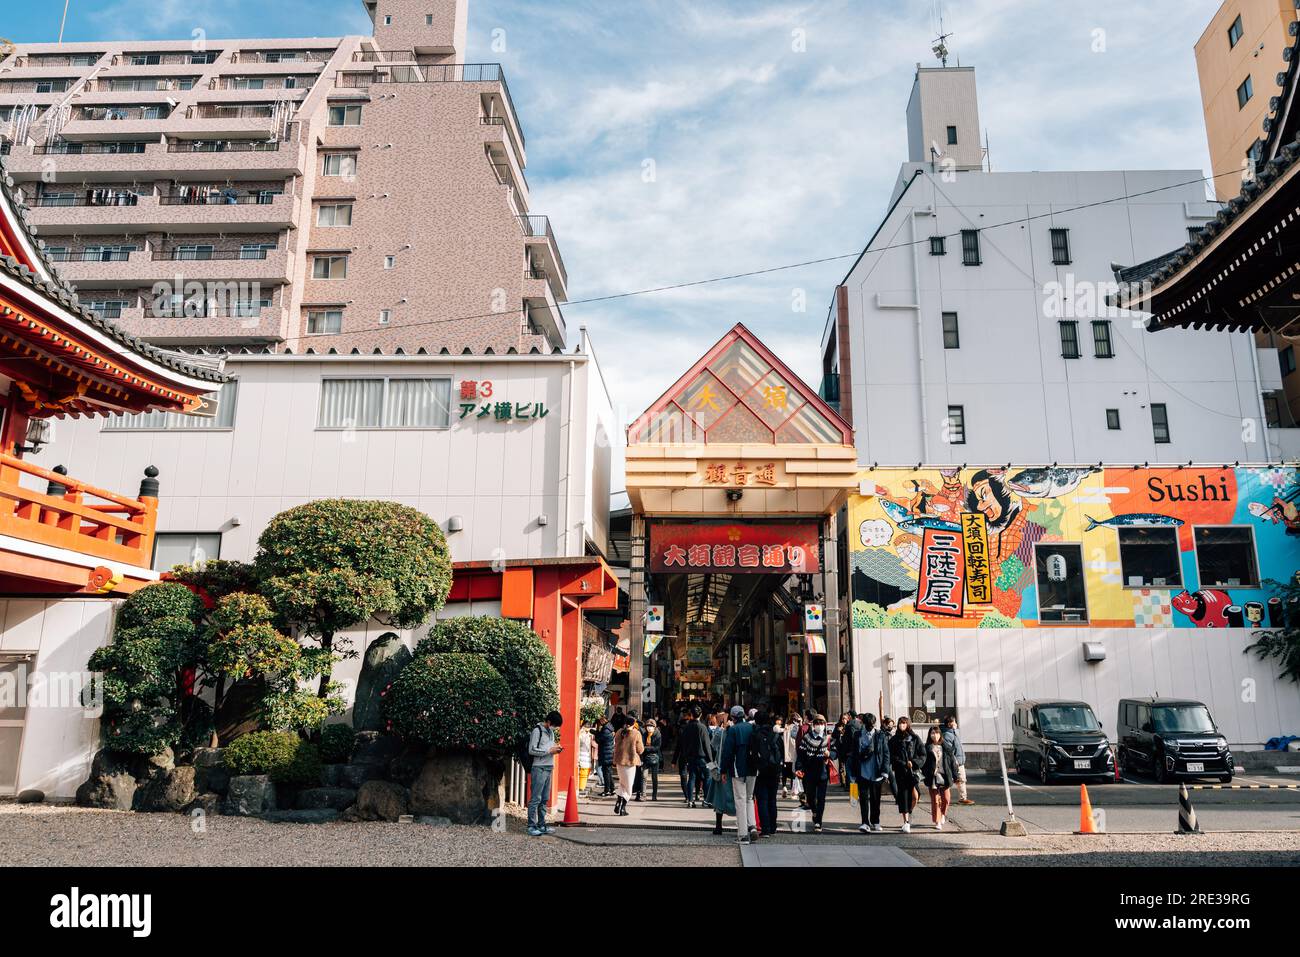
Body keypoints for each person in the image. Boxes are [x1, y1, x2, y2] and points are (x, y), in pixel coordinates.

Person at [719, 704, 758, 844]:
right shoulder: (752, 727)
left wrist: (723, 770)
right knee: (749, 798)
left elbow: (727, 753)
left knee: (740, 800)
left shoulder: (733, 730)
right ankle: (752, 827)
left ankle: (742, 835)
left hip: (738, 769)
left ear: (733, 717)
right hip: (753, 768)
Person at [526, 710, 564, 836]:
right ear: (548, 721)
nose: (555, 728)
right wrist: (549, 751)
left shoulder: (551, 732)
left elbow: (548, 748)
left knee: (545, 799)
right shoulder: (537, 730)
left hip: (548, 766)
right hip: (539, 767)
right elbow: (532, 750)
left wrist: (557, 749)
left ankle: (542, 825)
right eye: (555, 725)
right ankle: (531, 826)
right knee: (536, 798)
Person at [795, 713, 835, 833]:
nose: (820, 726)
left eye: (822, 723)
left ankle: (818, 822)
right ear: (813, 725)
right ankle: (814, 811)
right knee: (811, 797)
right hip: (809, 772)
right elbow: (800, 754)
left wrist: (830, 754)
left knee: (821, 798)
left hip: (823, 772)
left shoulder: (828, 738)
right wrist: (798, 768)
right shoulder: (807, 738)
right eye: (817, 723)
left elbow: (835, 752)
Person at [854, 713, 892, 833]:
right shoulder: (858, 734)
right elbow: (853, 754)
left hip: (876, 771)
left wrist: (885, 771)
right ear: (864, 723)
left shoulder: (880, 735)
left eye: (872, 725)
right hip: (862, 771)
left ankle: (875, 821)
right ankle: (865, 822)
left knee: (876, 799)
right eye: (868, 725)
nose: (871, 727)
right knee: (864, 799)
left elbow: (886, 754)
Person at [889, 716, 925, 833]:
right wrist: (903, 763)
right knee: (904, 797)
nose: (901, 725)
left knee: (916, 796)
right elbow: (891, 756)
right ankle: (906, 822)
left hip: (913, 772)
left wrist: (914, 763)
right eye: (900, 723)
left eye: (904, 723)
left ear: (908, 724)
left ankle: (908, 811)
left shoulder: (915, 738)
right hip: (901, 772)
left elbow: (922, 755)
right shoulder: (894, 740)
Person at [750, 711, 783, 837]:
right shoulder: (775, 734)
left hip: (761, 770)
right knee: (772, 799)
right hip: (774, 770)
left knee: (762, 799)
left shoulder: (755, 735)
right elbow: (781, 751)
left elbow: (752, 754)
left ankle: (765, 829)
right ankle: (773, 827)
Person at [922, 724, 960, 830]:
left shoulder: (946, 747)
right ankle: (937, 821)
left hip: (945, 776)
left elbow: (952, 763)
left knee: (946, 799)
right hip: (933, 777)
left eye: (937, 733)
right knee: (935, 800)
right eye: (933, 733)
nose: (935, 735)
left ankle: (943, 814)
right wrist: (925, 773)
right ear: (930, 735)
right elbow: (923, 763)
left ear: (940, 734)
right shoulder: (927, 748)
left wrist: (956, 777)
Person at [673, 706, 710, 808]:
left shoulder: (686, 728)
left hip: (690, 757)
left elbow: (683, 743)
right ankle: (706, 799)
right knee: (707, 777)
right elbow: (707, 745)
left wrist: (685, 756)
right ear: (701, 714)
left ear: (691, 715)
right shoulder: (702, 727)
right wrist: (710, 760)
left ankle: (690, 800)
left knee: (692, 778)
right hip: (702, 758)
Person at [613, 713, 644, 816]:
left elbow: (616, 744)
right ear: (633, 724)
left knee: (622, 784)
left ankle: (618, 802)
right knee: (629, 788)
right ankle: (622, 808)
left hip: (619, 762)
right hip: (630, 763)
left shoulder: (618, 732)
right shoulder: (636, 733)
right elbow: (640, 750)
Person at [943, 715, 973, 805]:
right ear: (950, 724)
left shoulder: (955, 733)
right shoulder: (947, 735)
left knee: (962, 779)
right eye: (954, 722)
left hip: (960, 761)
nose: (956, 723)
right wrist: (954, 760)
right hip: (954, 762)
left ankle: (963, 798)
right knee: (949, 780)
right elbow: (949, 750)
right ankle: (943, 797)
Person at [637, 714, 662, 801]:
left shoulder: (658, 734)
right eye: (648, 726)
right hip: (645, 758)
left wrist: (646, 748)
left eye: (651, 726)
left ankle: (654, 795)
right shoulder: (643, 733)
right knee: (644, 776)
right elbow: (641, 745)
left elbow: (657, 747)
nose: (649, 727)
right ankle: (643, 795)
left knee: (654, 778)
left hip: (655, 758)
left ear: (654, 727)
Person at [594, 716, 615, 798]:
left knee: (606, 773)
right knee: (609, 772)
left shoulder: (605, 730)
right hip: (608, 753)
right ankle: (612, 789)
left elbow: (598, 740)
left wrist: (596, 732)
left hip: (605, 753)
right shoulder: (610, 728)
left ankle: (607, 790)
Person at [782, 714, 800, 798]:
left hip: (785, 752)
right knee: (793, 772)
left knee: (785, 771)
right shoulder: (795, 727)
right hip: (793, 752)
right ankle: (793, 792)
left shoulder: (785, 727)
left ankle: (784, 787)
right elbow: (796, 738)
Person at [577, 721, 594, 793]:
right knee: (584, 771)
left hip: (584, 755)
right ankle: (581, 786)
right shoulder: (585, 734)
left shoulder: (584, 734)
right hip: (584, 754)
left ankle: (582, 786)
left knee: (584, 771)